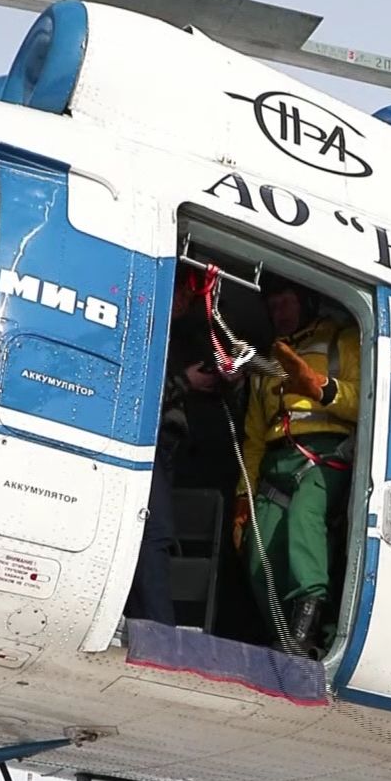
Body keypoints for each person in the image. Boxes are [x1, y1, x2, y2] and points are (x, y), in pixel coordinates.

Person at [124, 268, 271, 628]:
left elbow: (226, 402)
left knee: (155, 537)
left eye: (189, 297)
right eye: (180, 293)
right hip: (144, 445)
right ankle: (159, 627)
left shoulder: (187, 338)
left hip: (174, 451)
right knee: (155, 536)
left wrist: (228, 382)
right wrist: (183, 380)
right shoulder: (141, 331)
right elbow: (134, 395)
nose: (184, 302)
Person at [234, 275, 361, 656]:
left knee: (305, 517)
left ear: (305, 301)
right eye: (273, 307)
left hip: (327, 454)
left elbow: (369, 400)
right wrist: (244, 496)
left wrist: (320, 387)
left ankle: (308, 624)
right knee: (257, 551)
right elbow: (254, 439)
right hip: (276, 459)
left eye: (286, 302)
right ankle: (287, 638)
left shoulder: (343, 339)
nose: (279, 313)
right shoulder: (267, 364)